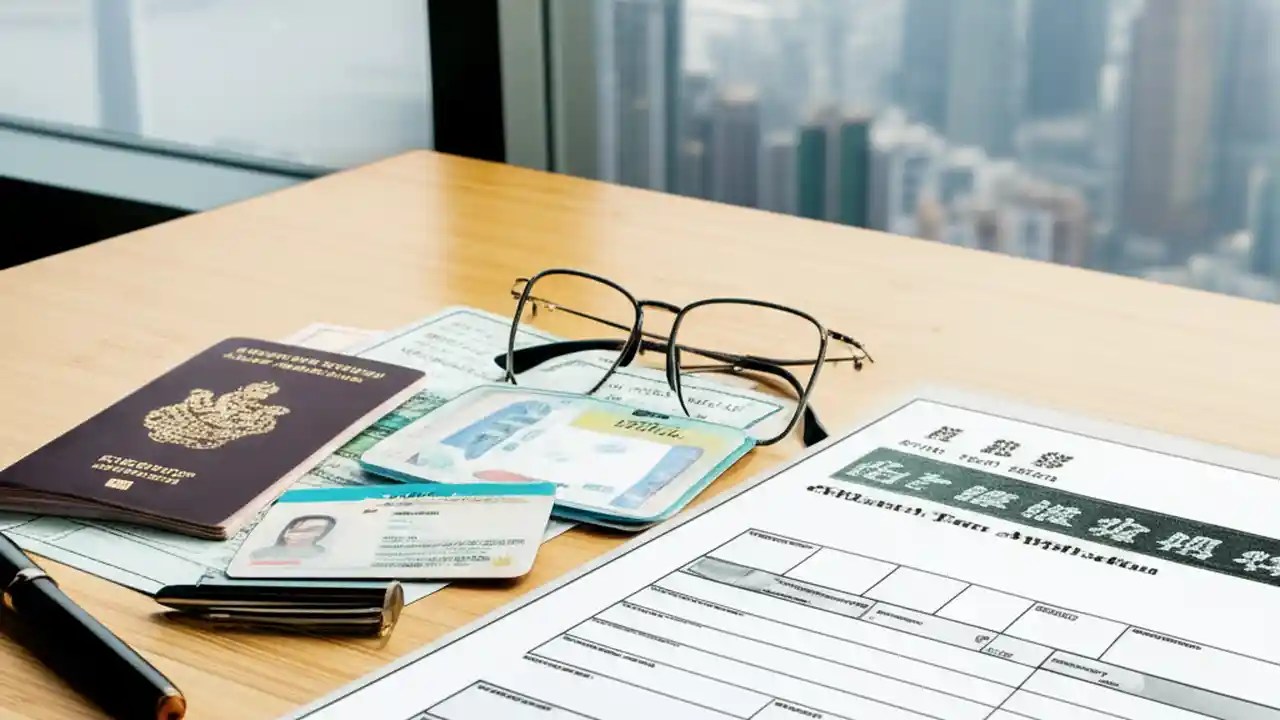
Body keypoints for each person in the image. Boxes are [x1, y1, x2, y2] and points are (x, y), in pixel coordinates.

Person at [249, 514, 336, 562]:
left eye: (318, 530)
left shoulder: (322, 559)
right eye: (305, 530)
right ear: (287, 533)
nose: (313, 534)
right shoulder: (262, 555)